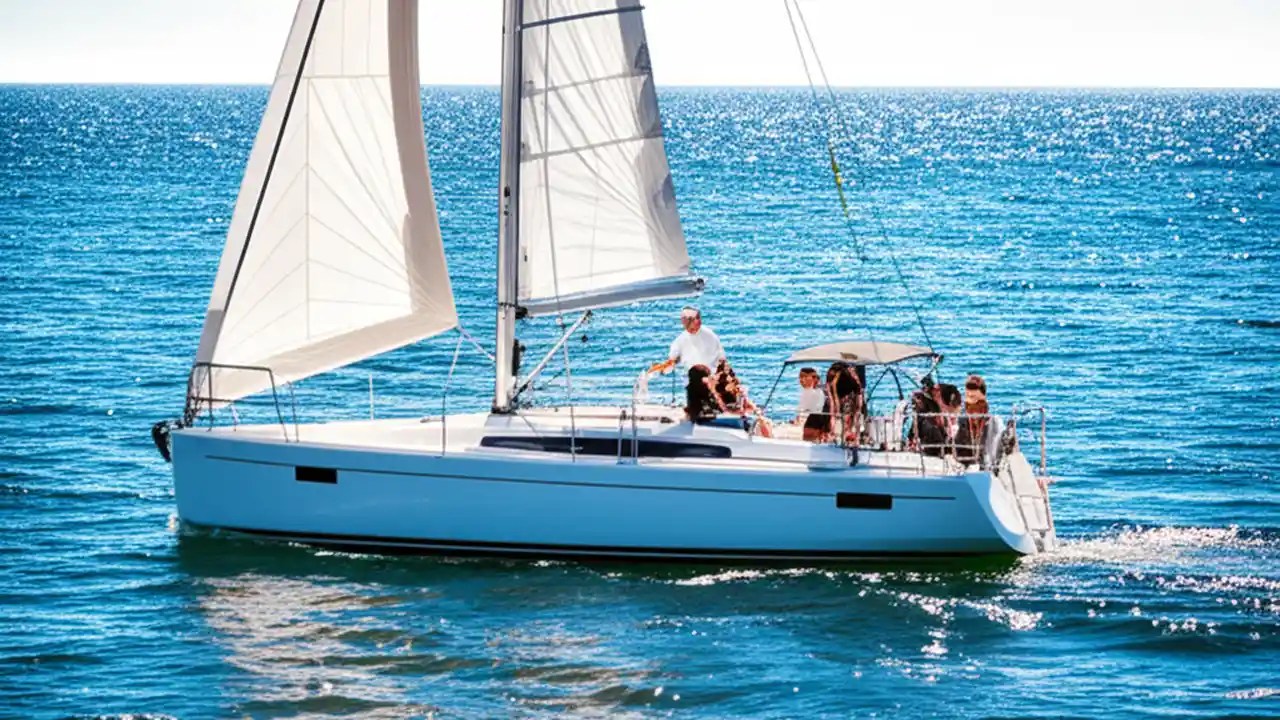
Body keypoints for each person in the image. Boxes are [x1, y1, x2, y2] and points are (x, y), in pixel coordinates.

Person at [649, 306, 725, 376]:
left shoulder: (711, 336)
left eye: (692, 320)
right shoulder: (680, 341)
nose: (688, 325)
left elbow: (722, 360)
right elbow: (672, 362)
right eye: (685, 322)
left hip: (711, 380)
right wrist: (661, 369)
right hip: (694, 381)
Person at [955, 374, 989, 465]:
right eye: (969, 406)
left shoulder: (992, 424)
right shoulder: (961, 423)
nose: (974, 410)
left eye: (978, 404)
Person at [795, 367, 826, 441]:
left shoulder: (816, 393)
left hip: (813, 423)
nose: (801, 380)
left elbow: (816, 410)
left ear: (814, 378)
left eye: (805, 377)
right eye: (800, 377)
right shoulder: (806, 392)